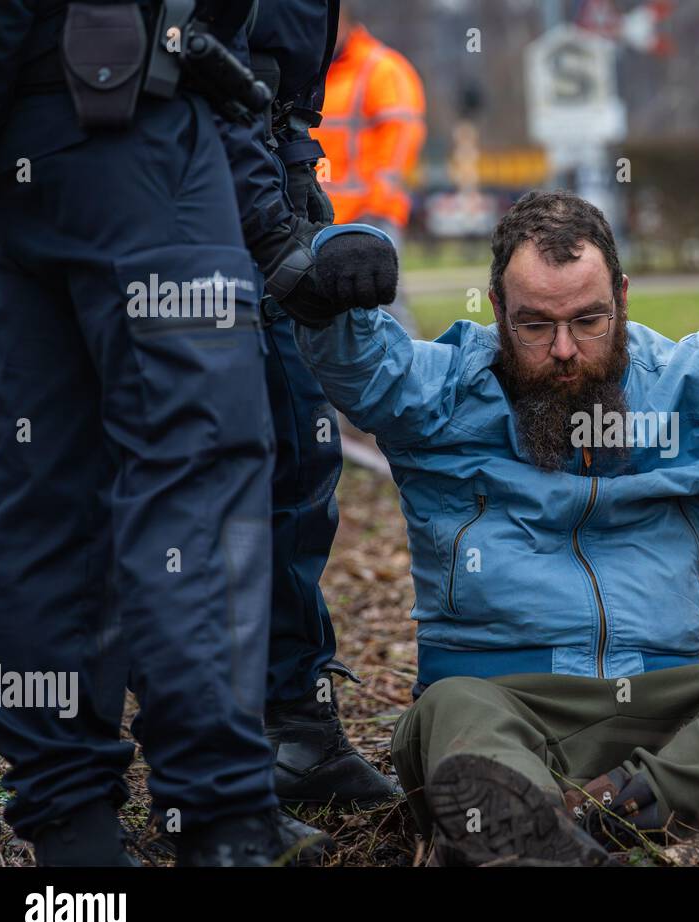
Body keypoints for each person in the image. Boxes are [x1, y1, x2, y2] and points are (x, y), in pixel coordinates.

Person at [292, 189, 699, 865]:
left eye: (589, 319)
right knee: (447, 712)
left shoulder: (694, 387)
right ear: (495, 310)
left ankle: (581, 822)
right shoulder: (442, 391)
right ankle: (561, 815)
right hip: (498, 703)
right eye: (535, 326)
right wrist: (339, 262)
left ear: (623, 297)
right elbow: (358, 364)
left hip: (664, 709)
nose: (566, 349)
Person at [0, 0, 396, 866]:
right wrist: (271, 216)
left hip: (32, 140)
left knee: (46, 489)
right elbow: (222, 32)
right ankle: (222, 819)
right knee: (196, 483)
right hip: (146, 131)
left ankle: (72, 829)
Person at [238, 0, 403, 811]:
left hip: (268, 177)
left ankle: (293, 722)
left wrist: (300, 180)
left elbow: (278, 91)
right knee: (203, 475)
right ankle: (207, 749)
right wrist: (272, 230)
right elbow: (208, 73)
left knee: (300, 453)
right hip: (201, 189)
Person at [311, 0, 425, 335]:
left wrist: (376, 207)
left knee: (384, 309)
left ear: (339, 18)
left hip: (369, 217)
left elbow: (401, 137)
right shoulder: (315, 73)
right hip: (324, 218)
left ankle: (410, 382)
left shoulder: (382, 68)